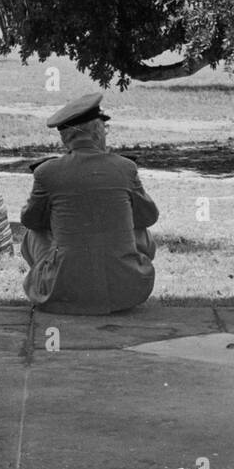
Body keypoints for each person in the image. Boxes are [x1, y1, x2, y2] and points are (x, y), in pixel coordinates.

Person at [20, 93, 158, 314]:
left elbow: (31, 221)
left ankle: (50, 279)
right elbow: (148, 217)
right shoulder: (125, 168)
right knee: (141, 231)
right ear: (98, 131)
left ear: (65, 137)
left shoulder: (47, 172)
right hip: (127, 290)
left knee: (33, 235)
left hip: (63, 291)